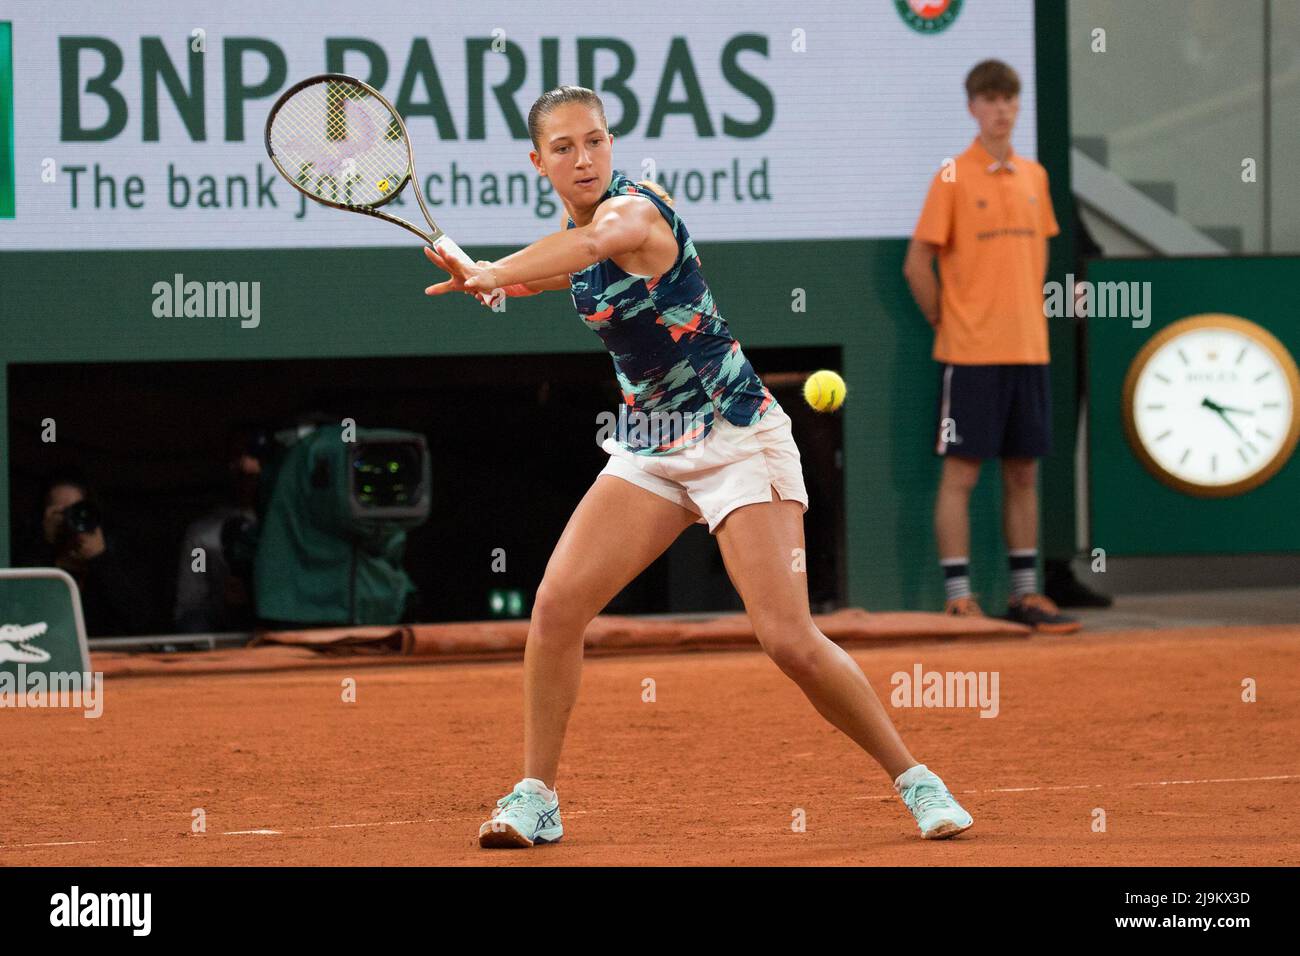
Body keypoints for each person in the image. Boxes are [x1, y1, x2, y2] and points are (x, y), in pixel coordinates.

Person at [423, 85, 973, 848]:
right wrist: (491, 273)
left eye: (595, 140)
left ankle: (916, 779)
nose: (584, 158)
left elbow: (590, 249)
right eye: (564, 147)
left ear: (611, 145)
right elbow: (566, 272)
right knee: (554, 608)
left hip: (737, 434)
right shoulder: (574, 230)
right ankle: (536, 796)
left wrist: (497, 270)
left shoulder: (633, 211)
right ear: (537, 160)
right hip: (651, 444)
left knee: (787, 639)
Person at [903, 60, 1081, 634]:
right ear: (973, 107)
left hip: (1028, 351)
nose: (1001, 109)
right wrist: (945, 320)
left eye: (1009, 99)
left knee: (1024, 474)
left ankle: (1025, 596)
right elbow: (917, 264)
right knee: (961, 475)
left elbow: (1039, 261)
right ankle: (960, 597)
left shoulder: (1035, 178)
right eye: (990, 99)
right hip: (970, 354)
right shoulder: (951, 176)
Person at [21, 472, 155, 637]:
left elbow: (140, 620)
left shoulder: (119, 552)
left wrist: (100, 559)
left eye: (76, 511)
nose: (68, 519)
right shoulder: (31, 556)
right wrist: (46, 545)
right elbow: (24, 615)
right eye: (60, 512)